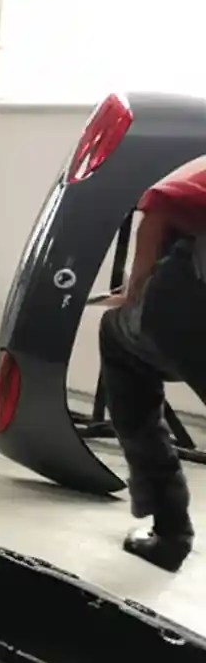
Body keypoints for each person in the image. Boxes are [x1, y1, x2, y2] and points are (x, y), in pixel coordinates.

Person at [100, 156, 206, 572]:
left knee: (116, 335)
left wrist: (134, 293)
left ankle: (170, 531)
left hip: (192, 304)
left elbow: (161, 207)